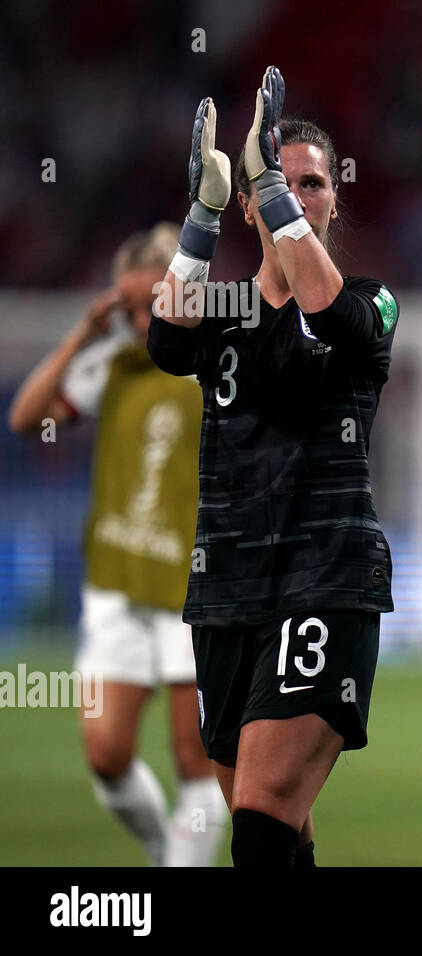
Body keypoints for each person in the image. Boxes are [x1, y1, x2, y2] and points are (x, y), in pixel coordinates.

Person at [147, 69, 398, 866]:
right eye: (279, 182)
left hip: (326, 578)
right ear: (250, 205)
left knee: (257, 816)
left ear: (332, 202)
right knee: (279, 832)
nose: (299, 193)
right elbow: (165, 343)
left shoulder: (368, 302)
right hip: (227, 590)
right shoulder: (225, 309)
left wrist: (264, 183)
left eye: (313, 183)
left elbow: (325, 309)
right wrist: (204, 212)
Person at [7, 223, 227, 866]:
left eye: (147, 301)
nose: (138, 317)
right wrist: (83, 334)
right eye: (126, 305)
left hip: (192, 587)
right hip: (115, 583)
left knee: (196, 761)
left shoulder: (215, 359)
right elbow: (27, 419)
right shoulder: (114, 363)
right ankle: (169, 854)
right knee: (105, 755)